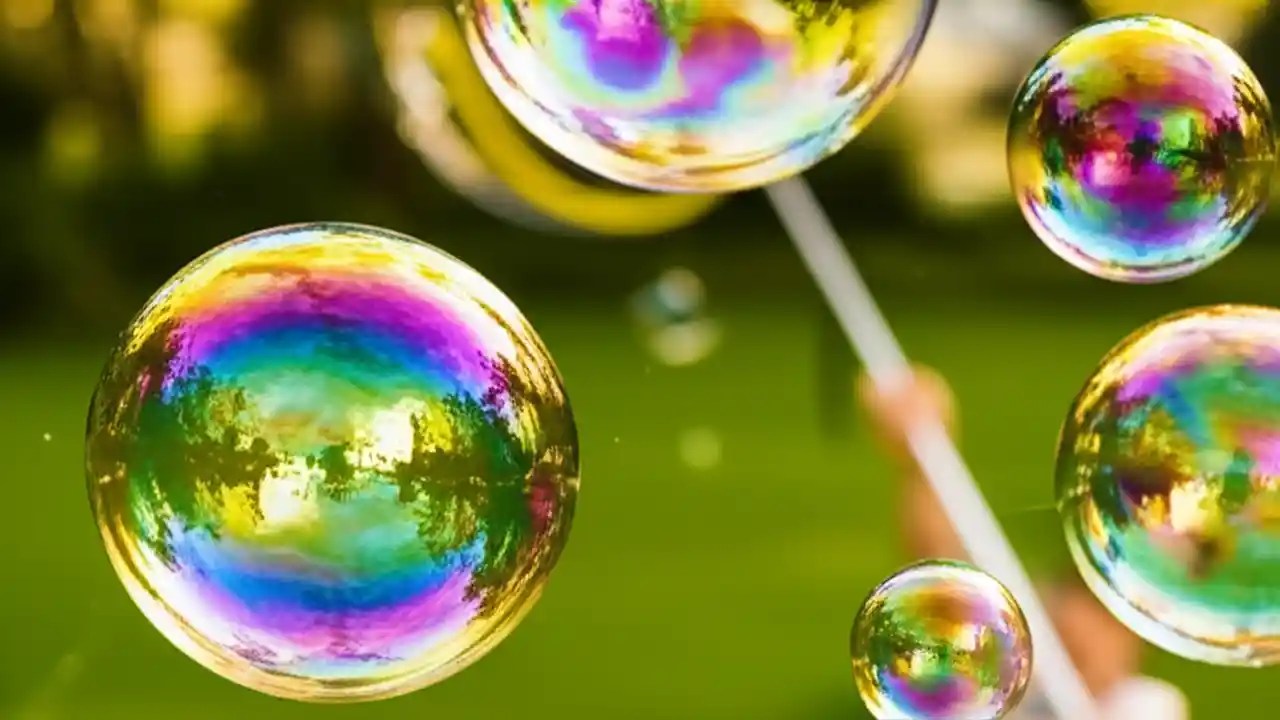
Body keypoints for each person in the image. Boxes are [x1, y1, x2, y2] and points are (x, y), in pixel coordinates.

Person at [857, 366, 1190, 720]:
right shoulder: (1002, 687)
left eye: (1110, 617)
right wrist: (924, 451)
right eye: (1078, 592)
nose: (1079, 628)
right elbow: (940, 565)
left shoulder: (1146, 705)